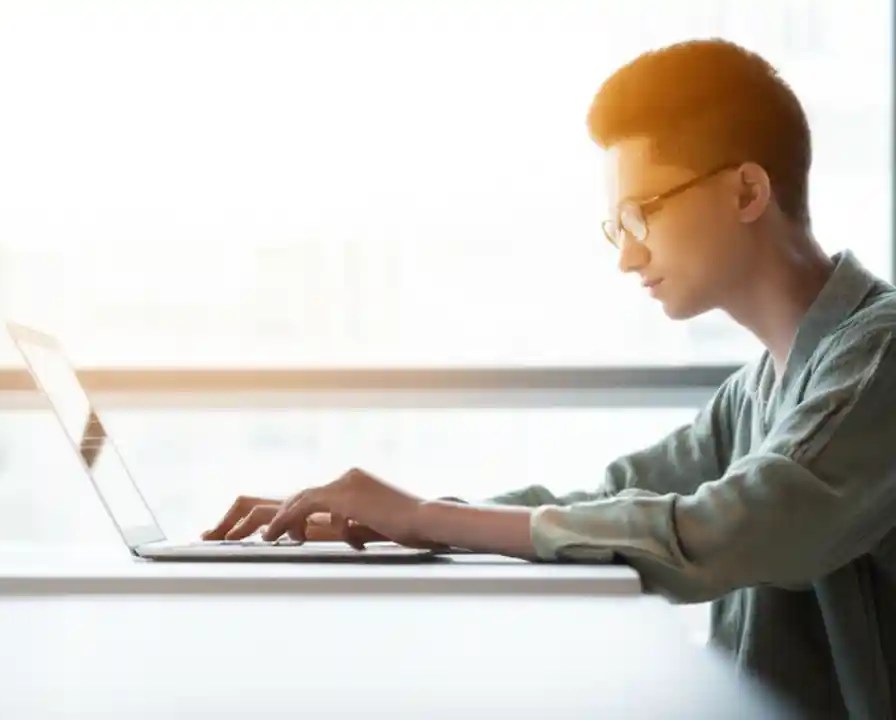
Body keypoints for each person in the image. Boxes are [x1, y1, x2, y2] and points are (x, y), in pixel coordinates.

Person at [200, 39, 896, 717]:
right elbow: (610, 499)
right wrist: (385, 523)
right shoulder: (755, 392)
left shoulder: (880, 356)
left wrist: (422, 517)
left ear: (747, 190)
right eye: (615, 226)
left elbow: (723, 533)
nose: (628, 256)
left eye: (639, 215)